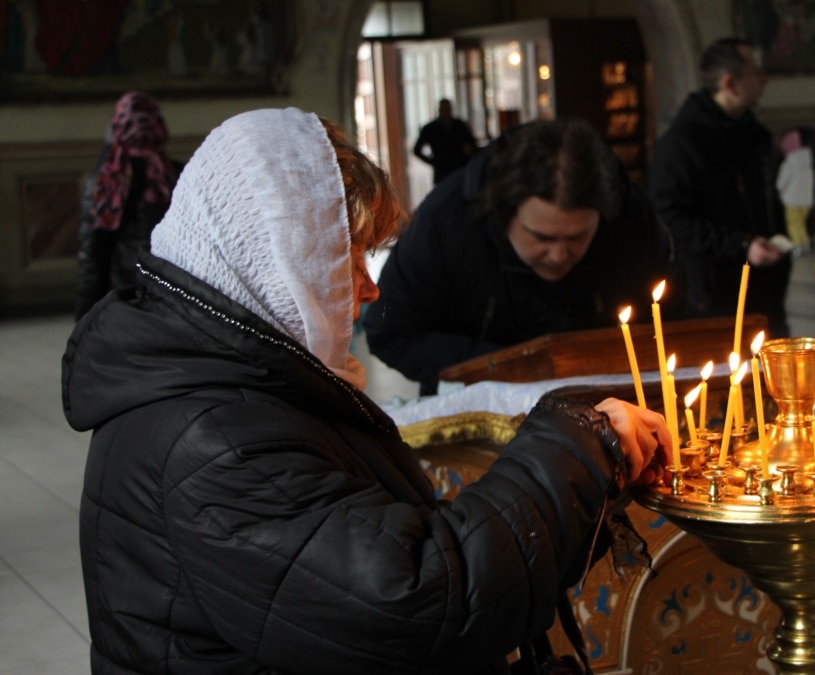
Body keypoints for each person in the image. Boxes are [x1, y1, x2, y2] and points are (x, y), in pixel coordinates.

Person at [62, 107, 669, 674]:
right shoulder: (215, 438)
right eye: (346, 259)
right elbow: (418, 601)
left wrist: (585, 487)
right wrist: (575, 443)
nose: (369, 288)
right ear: (272, 261)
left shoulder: (240, 378)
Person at [364, 117, 672, 396]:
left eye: (577, 237)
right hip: (476, 412)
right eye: (542, 237)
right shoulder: (446, 221)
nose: (559, 255)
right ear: (503, 211)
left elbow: (664, 325)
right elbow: (390, 331)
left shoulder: (631, 219)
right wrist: (513, 365)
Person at [650, 37, 792, 338]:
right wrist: (741, 245)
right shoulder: (682, 145)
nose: (764, 80)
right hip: (714, 297)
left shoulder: (754, 135)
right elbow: (671, 219)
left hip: (764, 292)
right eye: (756, 73)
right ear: (730, 83)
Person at [75, 91, 182, 319]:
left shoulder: (105, 183)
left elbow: (92, 256)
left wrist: (84, 319)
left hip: (122, 298)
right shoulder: (181, 175)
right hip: (174, 298)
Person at [412, 98, 478, 184]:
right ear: (439, 110)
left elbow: (472, 145)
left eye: (448, 109)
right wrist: (434, 162)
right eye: (444, 109)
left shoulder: (460, 125)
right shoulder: (430, 128)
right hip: (442, 172)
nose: (446, 112)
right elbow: (417, 150)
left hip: (460, 170)